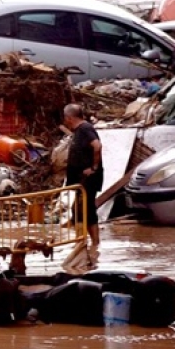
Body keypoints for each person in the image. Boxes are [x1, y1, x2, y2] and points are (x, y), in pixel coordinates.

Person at [63, 103, 103, 249]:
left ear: (69, 118)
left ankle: (86, 244)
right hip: (81, 179)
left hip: (88, 179)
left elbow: (97, 146)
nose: (65, 121)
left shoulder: (85, 129)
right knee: (82, 210)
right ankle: (87, 243)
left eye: (65, 118)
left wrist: (94, 167)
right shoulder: (80, 130)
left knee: (84, 211)